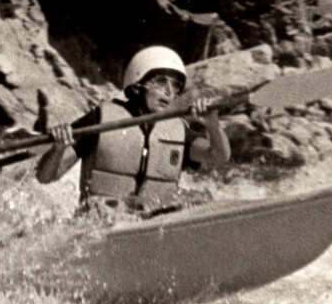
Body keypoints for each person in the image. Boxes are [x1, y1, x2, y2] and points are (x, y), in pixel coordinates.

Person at [35, 46, 231, 214]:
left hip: (156, 221)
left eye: (175, 85)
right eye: (161, 81)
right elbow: (45, 177)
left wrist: (212, 124)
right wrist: (58, 148)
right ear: (137, 86)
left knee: (200, 198)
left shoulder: (178, 129)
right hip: (104, 221)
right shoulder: (100, 120)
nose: (169, 92)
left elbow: (218, 156)